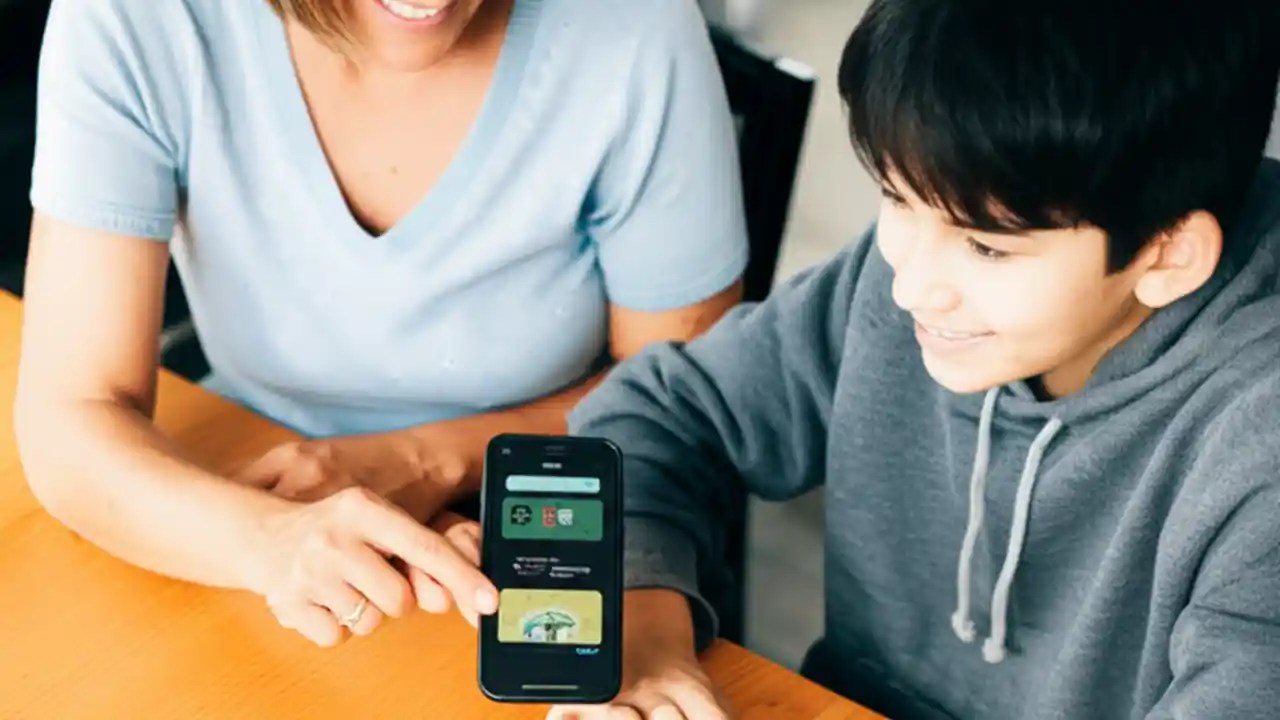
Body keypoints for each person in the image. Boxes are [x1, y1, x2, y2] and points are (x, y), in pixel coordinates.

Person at [557, 0, 1280, 718]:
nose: (910, 287)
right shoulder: (912, 281)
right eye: (896, 199)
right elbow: (660, 416)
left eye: (988, 247)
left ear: (1169, 255)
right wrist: (648, 629)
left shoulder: (1258, 440)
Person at [14, 0, 746, 647]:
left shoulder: (635, 28)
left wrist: (429, 460)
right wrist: (272, 543)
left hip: (545, 502)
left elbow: (687, 398)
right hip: (255, 491)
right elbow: (71, 416)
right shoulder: (138, 17)